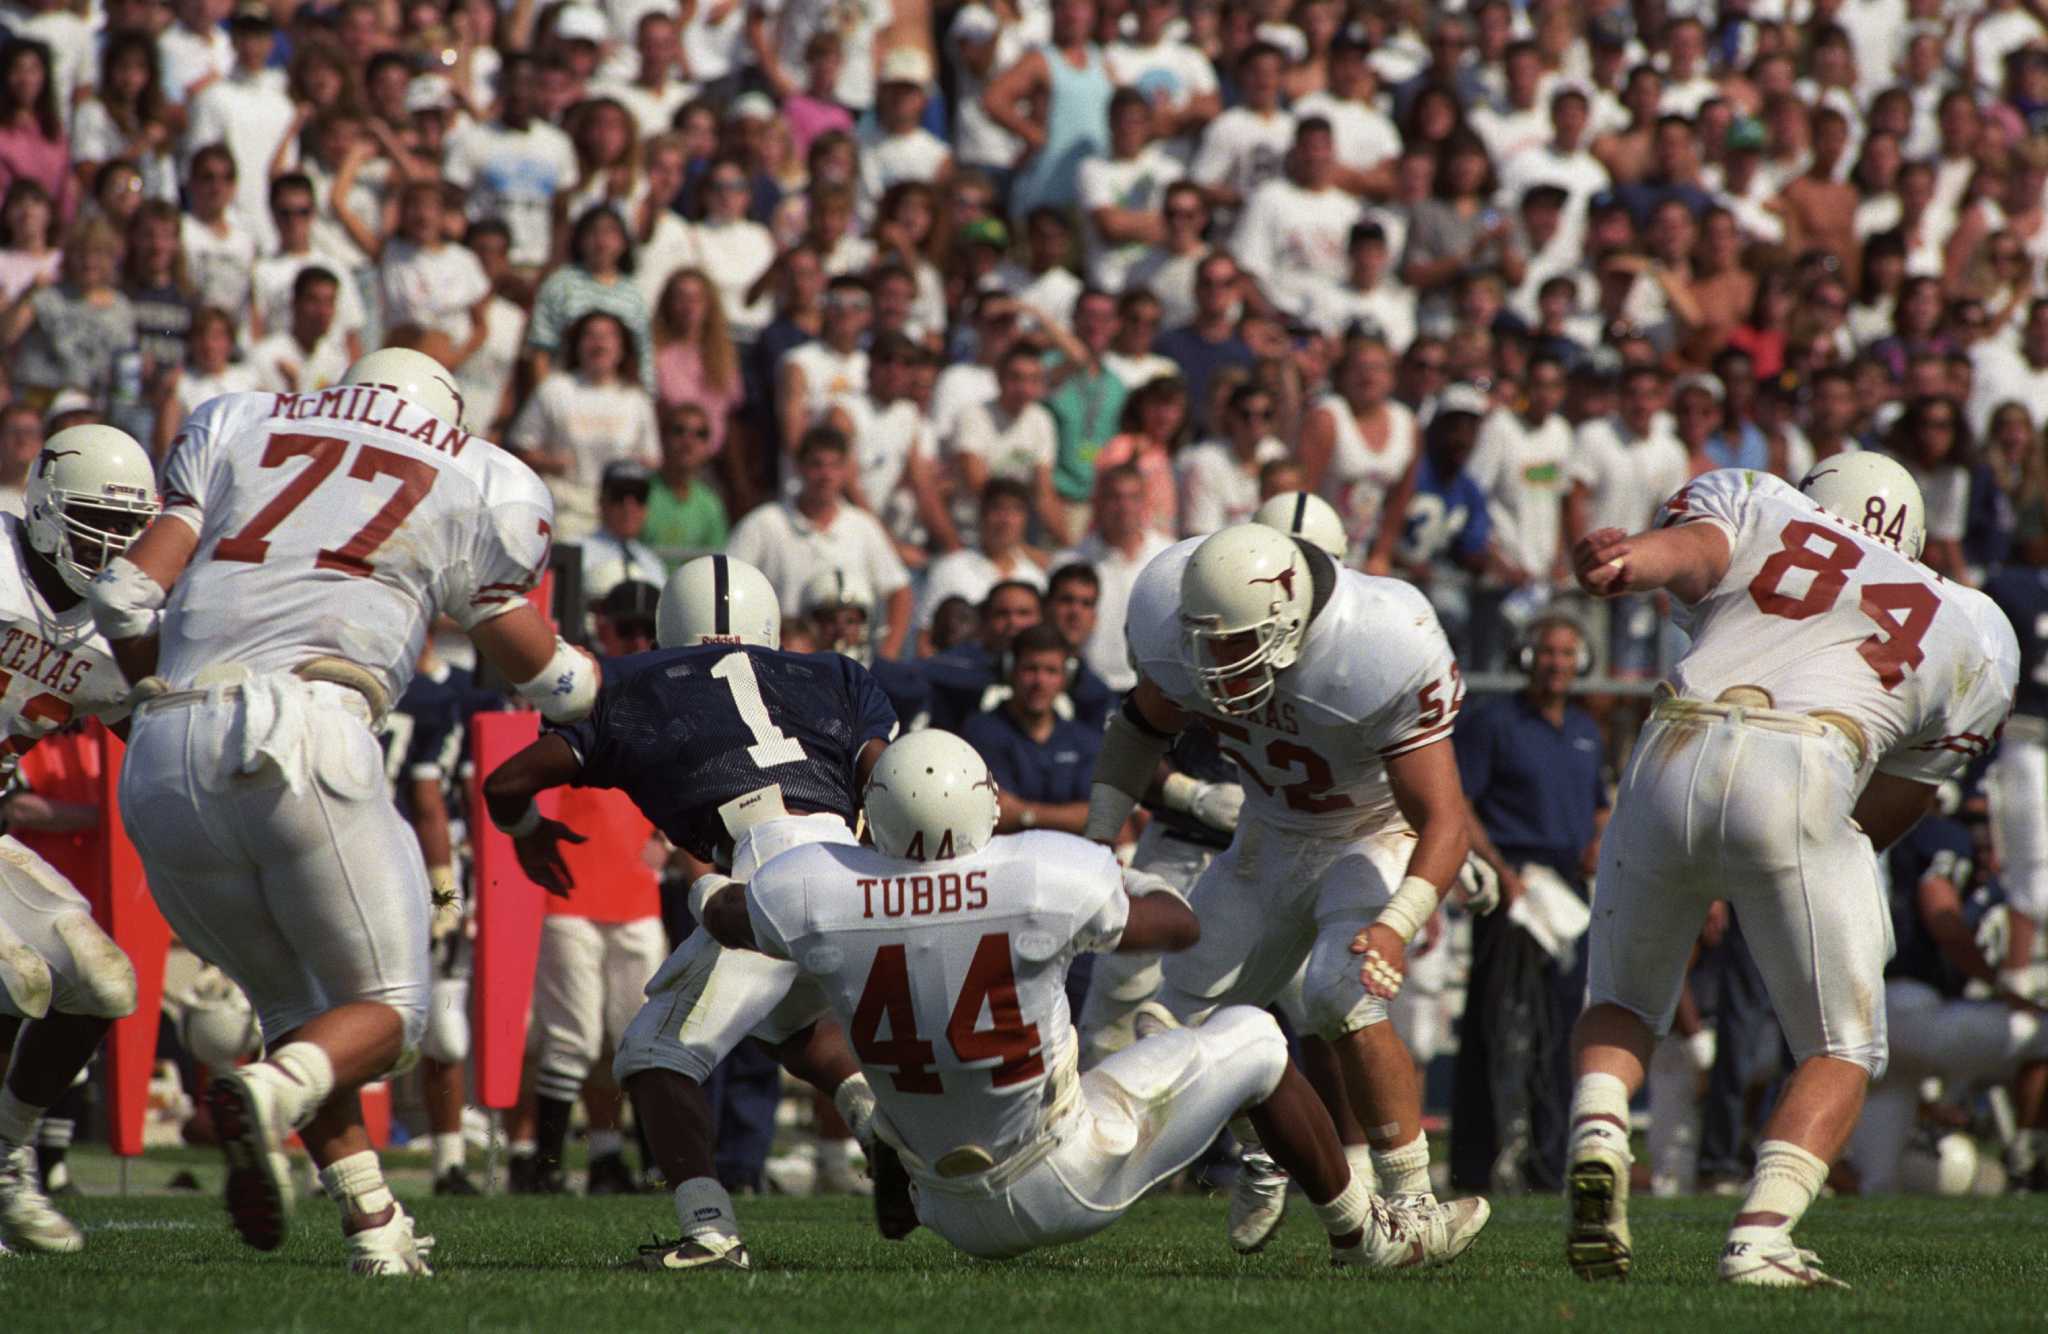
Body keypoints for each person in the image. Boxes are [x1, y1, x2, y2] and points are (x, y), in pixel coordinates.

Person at [89, 348, 595, 1276]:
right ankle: (268, 1091)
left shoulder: (239, 420)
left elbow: (123, 596)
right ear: (441, 408)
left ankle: (374, 1228)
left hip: (163, 746)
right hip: (307, 732)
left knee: (297, 1007)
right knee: (394, 1013)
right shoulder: (475, 474)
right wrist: (594, 688)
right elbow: (525, 655)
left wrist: (158, 713)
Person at [694, 729, 1487, 1267]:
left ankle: (893, 1156)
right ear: (983, 800)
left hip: (949, 1205)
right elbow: (1176, 927)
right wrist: (1122, 869)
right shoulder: (1040, 872)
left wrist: (698, 882)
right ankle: (1366, 1232)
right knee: (1257, 1038)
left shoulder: (817, 888)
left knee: (843, 1031)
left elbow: (732, 914)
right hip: (1061, 1171)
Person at [1561, 456, 2018, 1287]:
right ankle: (1761, 1237)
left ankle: (1597, 1137)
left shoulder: (1763, 503)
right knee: (1842, 1045)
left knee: (1624, 999)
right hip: (1809, 758)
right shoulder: (1970, 625)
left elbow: (1690, 551)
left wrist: (1625, 559)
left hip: (1670, 743)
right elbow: (1884, 812)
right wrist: (1790, 866)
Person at [479, 554, 901, 1272]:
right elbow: (887, 779)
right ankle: (876, 1126)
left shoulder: (635, 683)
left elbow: (507, 781)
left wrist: (528, 836)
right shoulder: (836, 673)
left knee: (651, 1055)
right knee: (789, 1025)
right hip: (853, 872)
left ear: (669, 628)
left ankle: (709, 1232)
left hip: (763, 870)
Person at [1085, 521, 1487, 1254]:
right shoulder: (1175, 613)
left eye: (1234, 643)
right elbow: (1141, 726)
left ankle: (1415, 1202)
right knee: (1167, 1020)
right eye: (1204, 640)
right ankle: (1266, 1151)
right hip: (1268, 835)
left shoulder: (1382, 642)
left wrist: (1397, 921)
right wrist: (1096, 838)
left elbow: (1444, 819)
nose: (1214, 664)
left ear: (1288, 619)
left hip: (1370, 831)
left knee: (1340, 989)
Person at [0, 426, 158, 1254]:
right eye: (102, 519)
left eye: (135, 528)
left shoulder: (118, 630)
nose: (121, 547)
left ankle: (4, 1159)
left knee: (101, 981)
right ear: (49, 507)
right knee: (12, 974)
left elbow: (163, 745)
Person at [1449, 613, 1606, 1193]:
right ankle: (1473, 1165)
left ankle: (1547, 1163)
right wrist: (1499, 873)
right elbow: (1460, 807)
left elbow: (1598, 804)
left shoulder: (1587, 730)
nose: (1557, 665)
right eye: (1548, 654)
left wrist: (1598, 839)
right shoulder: (1493, 724)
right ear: (1526, 659)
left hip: (1565, 889)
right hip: (1510, 885)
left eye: (1567, 655)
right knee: (1491, 1024)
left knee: (1563, 1025)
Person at [725, 426, 912, 656]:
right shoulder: (763, 524)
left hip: (850, 665)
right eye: (817, 464)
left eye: (835, 465)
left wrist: (888, 654)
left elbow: (899, 590)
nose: (826, 475)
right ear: (799, 467)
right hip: (781, 659)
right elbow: (726, 584)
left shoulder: (863, 526)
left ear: (846, 471)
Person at [962, 623, 1103, 837]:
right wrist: (1068, 816)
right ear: (1011, 671)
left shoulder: (1085, 741)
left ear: (1066, 678)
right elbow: (992, 815)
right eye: (1031, 669)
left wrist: (1026, 814)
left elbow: (1099, 819)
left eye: (1051, 671)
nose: (1040, 681)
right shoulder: (980, 732)